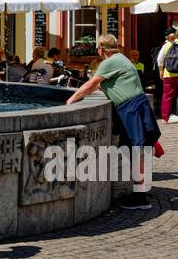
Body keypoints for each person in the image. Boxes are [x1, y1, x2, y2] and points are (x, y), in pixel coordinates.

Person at [66, 33, 161, 211]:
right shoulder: (122, 58)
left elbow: (90, 85)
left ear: (101, 49)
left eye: (98, 49)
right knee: (136, 150)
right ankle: (140, 190)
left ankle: (140, 196)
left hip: (131, 108)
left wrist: (69, 101)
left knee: (135, 150)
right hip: (137, 105)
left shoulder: (110, 62)